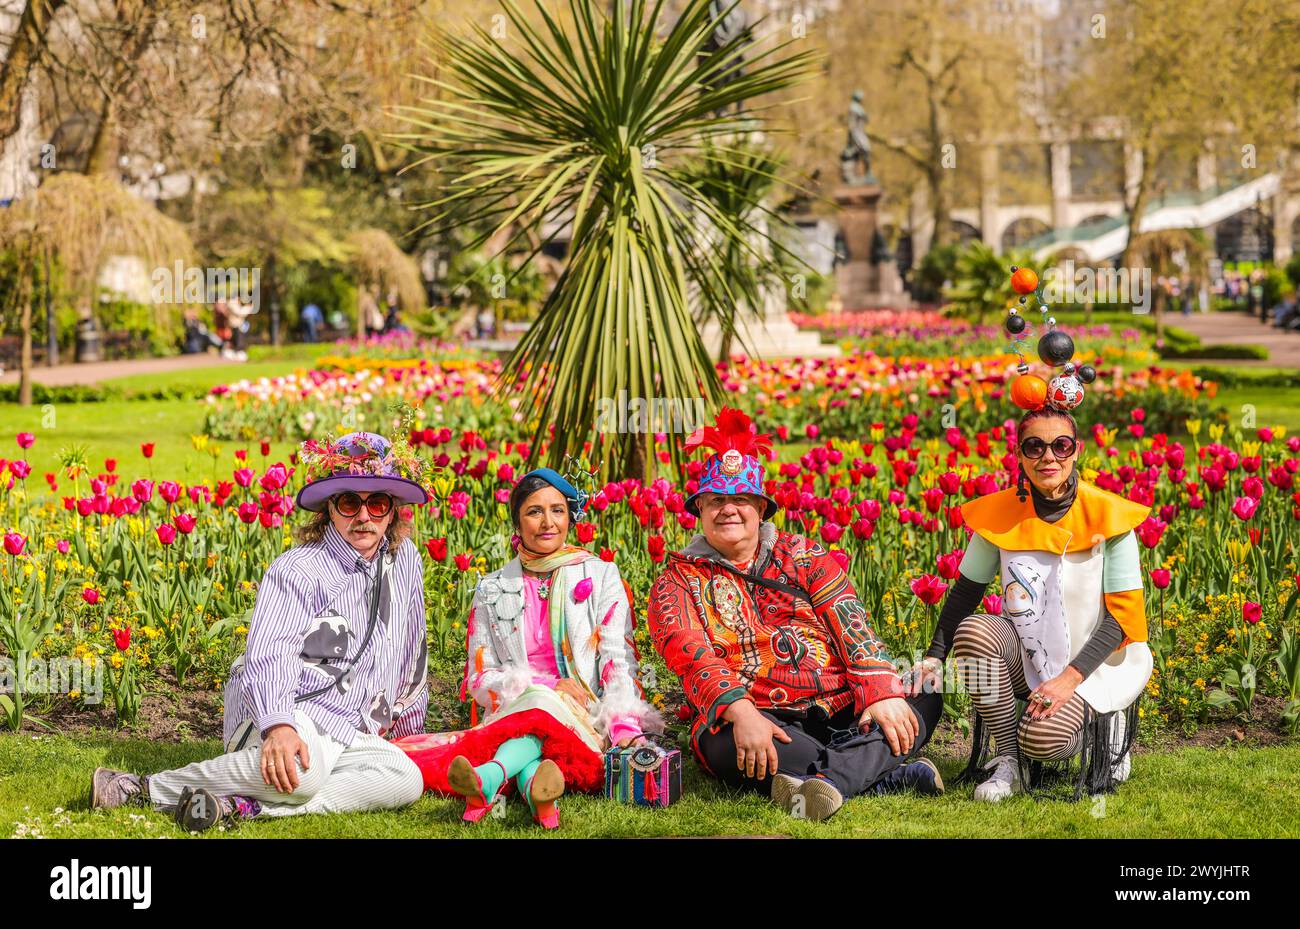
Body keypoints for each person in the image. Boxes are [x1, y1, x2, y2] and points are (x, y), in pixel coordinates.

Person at [90, 432, 433, 831]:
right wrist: (279, 726)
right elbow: (271, 653)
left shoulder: (403, 558)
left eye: (376, 504)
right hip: (292, 707)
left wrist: (409, 731)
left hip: (348, 726)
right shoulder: (299, 569)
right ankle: (140, 788)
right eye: (348, 502)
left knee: (405, 778)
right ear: (329, 508)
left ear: (392, 511)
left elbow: (412, 646)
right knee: (305, 776)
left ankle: (243, 806)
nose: (363, 517)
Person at [646, 408, 943, 822]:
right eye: (715, 501)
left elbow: (849, 619)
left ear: (760, 508)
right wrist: (742, 711)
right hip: (762, 717)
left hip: (842, 705)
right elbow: (690, 654)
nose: (727, 510)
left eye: (740, 500)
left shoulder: (803, 555)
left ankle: (832, 781)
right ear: (699, 511)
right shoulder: (677, 580)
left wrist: (881, 693)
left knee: (925, 689)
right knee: (728, 742)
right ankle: (881, 771)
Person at [907, 399, 1152, 802]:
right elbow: (967, 592)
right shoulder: (1002, 514)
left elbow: (1123, 619)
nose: (1048, 456)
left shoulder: (1110, 517)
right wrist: (935, 654)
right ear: (1019, 454)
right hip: (1030, 657)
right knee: (974, 631)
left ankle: (1103, 725)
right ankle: (1009, 762)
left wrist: (1068, 680)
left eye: (1061, 445)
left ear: (1077, 450)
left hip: (1093, 667)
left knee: (1043, 741)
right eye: (1035, 447)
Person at [396, 467, 660, 828]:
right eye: (535, 511)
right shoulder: (492, 587)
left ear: (570, 517)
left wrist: (625, 728)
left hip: (583, 716)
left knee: (541, 708)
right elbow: (480, 677)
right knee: (538, 703)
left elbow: (618, 660)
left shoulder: (600, 576)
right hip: (516, 709)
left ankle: (489, 778)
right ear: (517, 524)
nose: (548, 522)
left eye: (557, 510)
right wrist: (546, 688)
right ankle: (541, 795)